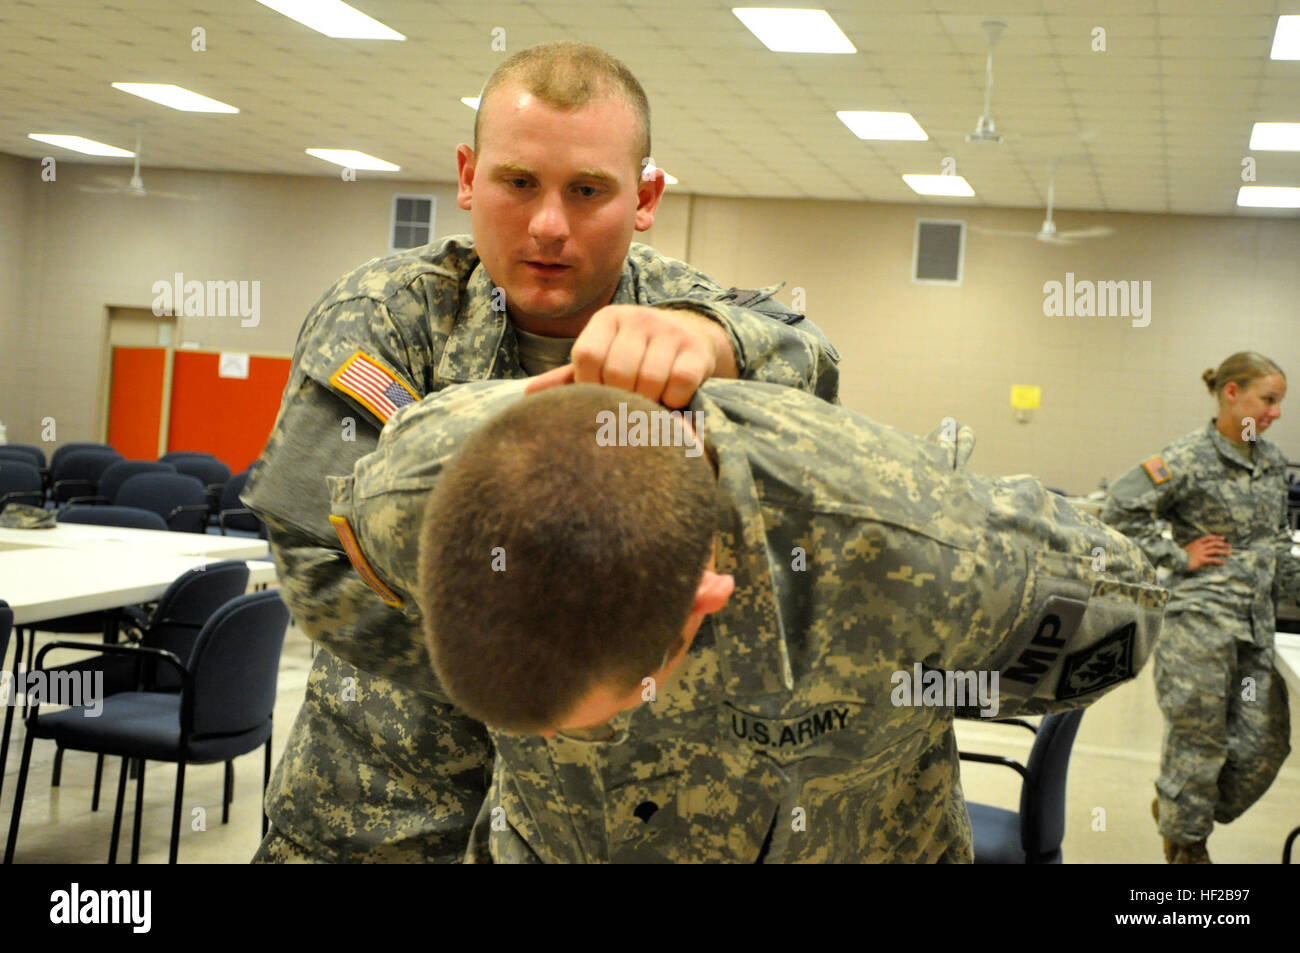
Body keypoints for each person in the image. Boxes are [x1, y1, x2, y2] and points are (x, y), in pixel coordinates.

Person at [241, 41, 840, 862]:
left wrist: (708, 339)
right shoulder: (387, 316)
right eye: (518, 182)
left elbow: (810, 356)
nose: (549, 225)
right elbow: (318, 569)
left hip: (589, 825)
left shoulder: (680, 308)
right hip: (378, 809)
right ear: (467, 175)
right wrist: (553, 678)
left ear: (645, 197)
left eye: (588, 191)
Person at [326, 377, 1168, 862]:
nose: (576, 740)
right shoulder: (413, 493)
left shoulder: (918, 557)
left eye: (613, 709)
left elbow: (1133, 608)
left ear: (706, 597)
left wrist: (936, 675)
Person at [1102, 351, 1296, 864]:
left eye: (1280, 401)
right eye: (1268, 399)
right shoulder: (1186, 458)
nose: (1277, 412)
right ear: (1232, 393)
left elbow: (1274, 542)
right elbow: (1119, 511)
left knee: (1263, 744)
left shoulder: (1272, 461)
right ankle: (1187, 846)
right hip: (1198, 631)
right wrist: (1176, 555)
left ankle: (1177, 811)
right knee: (1200, 743)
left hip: (1256, 632)